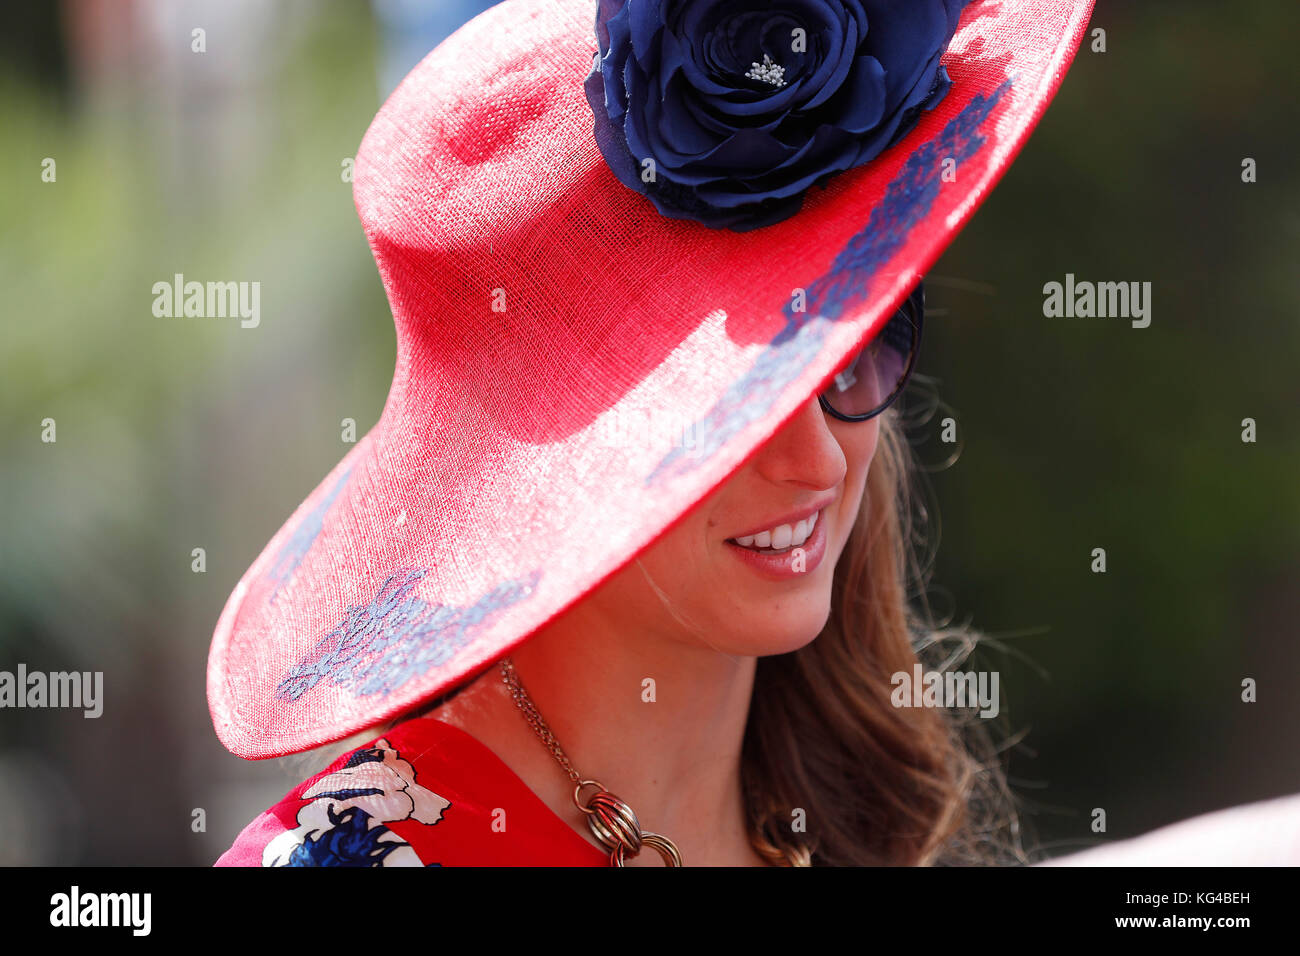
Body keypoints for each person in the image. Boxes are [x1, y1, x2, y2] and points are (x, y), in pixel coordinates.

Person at [210, 0, 1096, 866]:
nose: (818, 459)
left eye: (843, 357)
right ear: (542, 458)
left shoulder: (851, 826)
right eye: (721, 410)